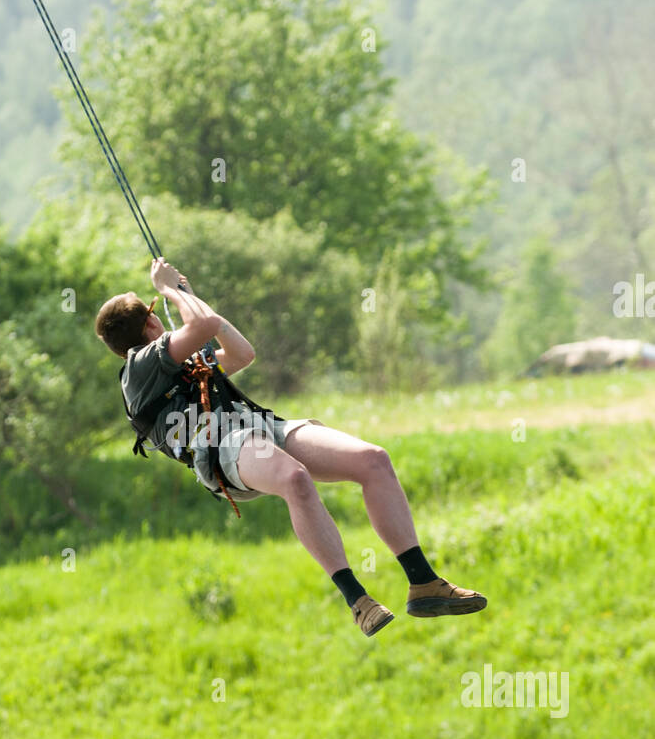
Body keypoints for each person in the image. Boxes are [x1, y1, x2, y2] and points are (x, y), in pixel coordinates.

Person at [94, 257, 487, 637]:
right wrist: (169, 290)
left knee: (372, 460)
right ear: (150, 320)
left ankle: (424, 584)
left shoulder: (180, 356)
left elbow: (242, 353)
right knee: (294, 478)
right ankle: (358, 601)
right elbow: (205, 324)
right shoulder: (141, 367)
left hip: (258, 426)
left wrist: (190, 295)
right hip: (221, 448)